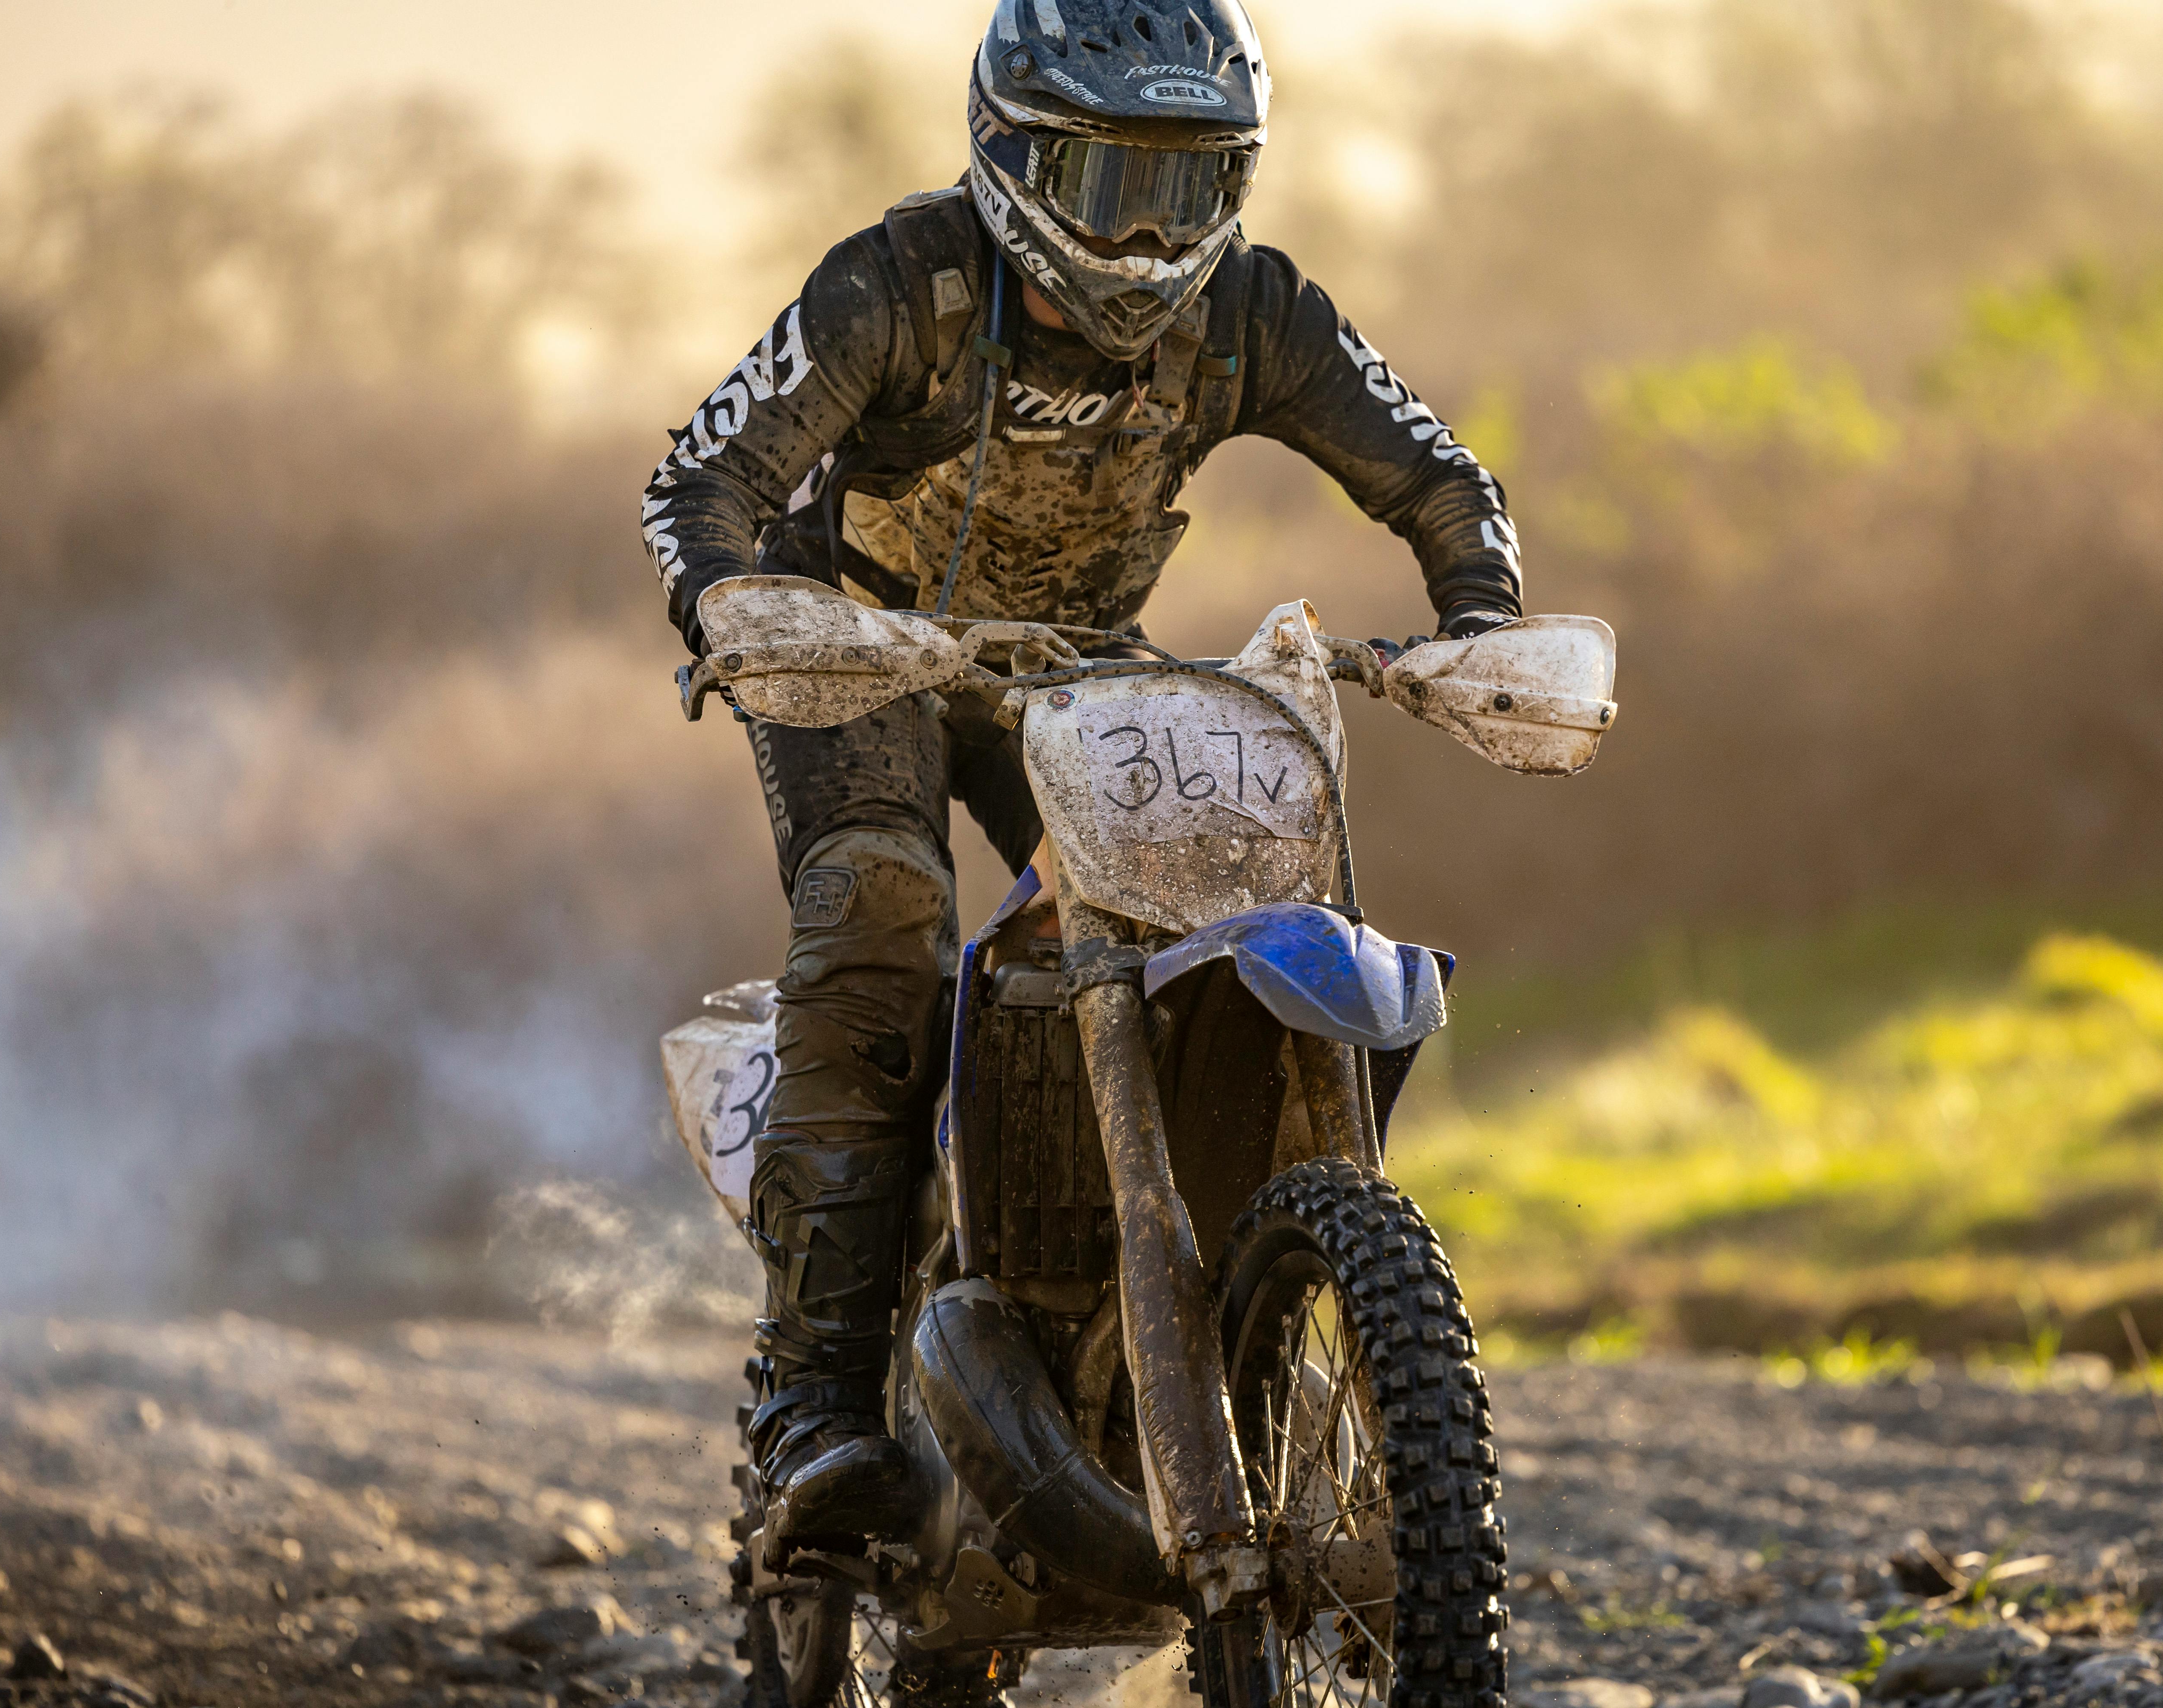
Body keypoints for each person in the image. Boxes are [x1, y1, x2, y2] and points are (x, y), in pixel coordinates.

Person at [641, 0, 1523, 1562]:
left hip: (1071, 666)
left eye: (1185, 187)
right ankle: (817, 1402)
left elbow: (1439, 474)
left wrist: (1480, 623)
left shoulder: (1254, 313)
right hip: (858, 652)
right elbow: (700, 477)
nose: (1142, 233)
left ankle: (1202, 1305)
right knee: (884, 910)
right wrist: (729, 604)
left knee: (1220, 910)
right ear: (1006, 151)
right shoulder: (895, 286)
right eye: (1108, 181)